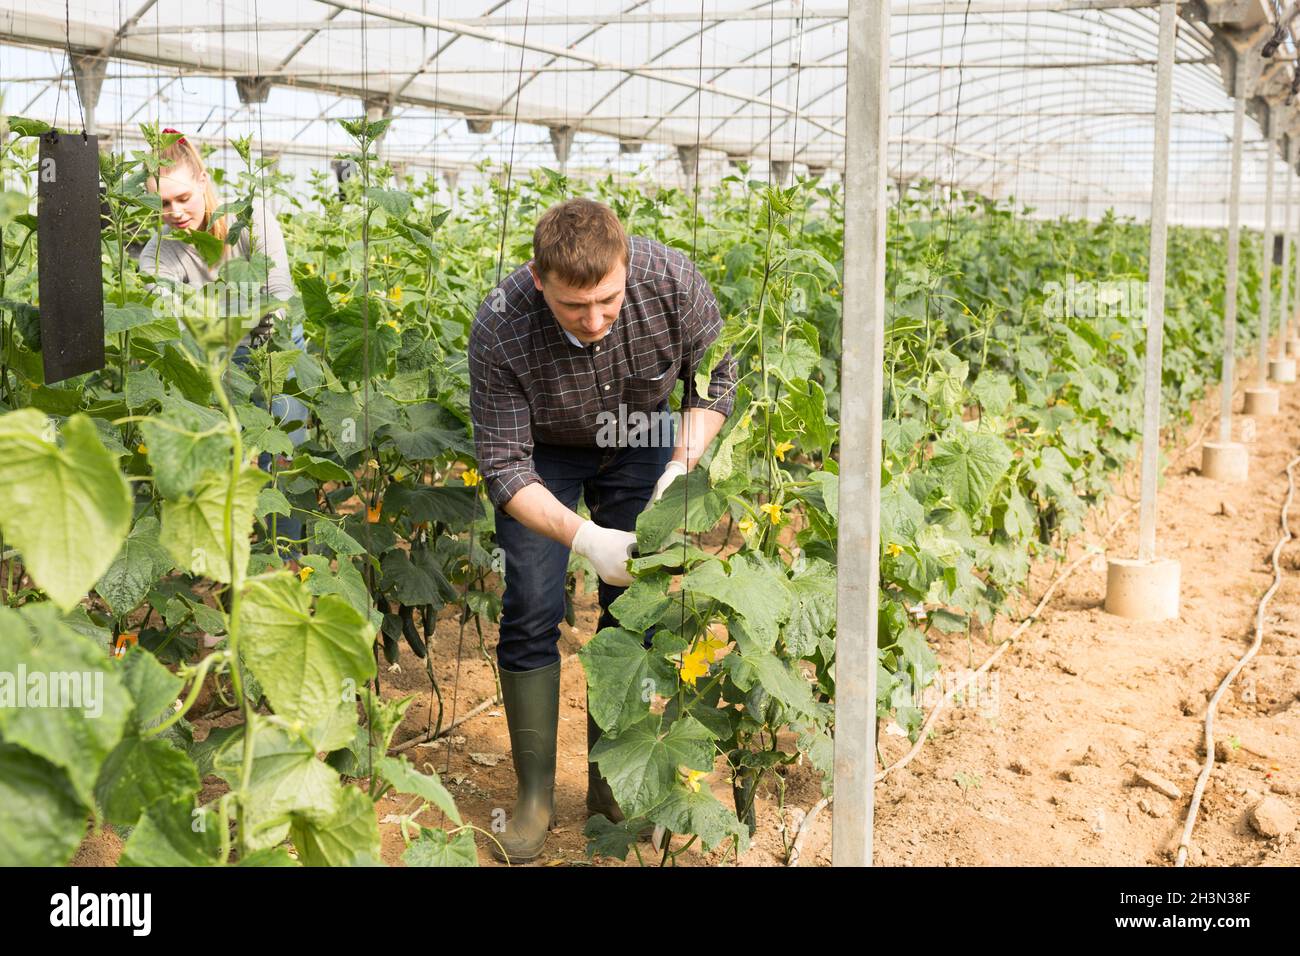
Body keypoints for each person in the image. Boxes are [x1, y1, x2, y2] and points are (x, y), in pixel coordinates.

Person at [468, 197, 736, 863]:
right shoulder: (501, 327)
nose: (594, 321)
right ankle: (533, 797)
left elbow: (714, 382)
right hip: (544, 454)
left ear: (626, 266)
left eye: (608, 301)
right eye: (573, 307)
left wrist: (682, 465)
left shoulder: (672, 281)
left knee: (637, 614)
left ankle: (611, 783)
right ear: (538, 282)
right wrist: (585, 539)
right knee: (531, 601)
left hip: (644, 438)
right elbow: (502, 464)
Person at [139, 128, 308, 555]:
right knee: (223, 464)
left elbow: (279, 290)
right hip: (214, 358)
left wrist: (264, 349)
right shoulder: (160, 253)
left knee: (280, 457)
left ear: (203, 181)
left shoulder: (250, 219)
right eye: (162, 203)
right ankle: (231, 562)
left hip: (274, 343)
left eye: (182, 199)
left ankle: (288, 562)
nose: (174, 212)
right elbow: (160, 309)